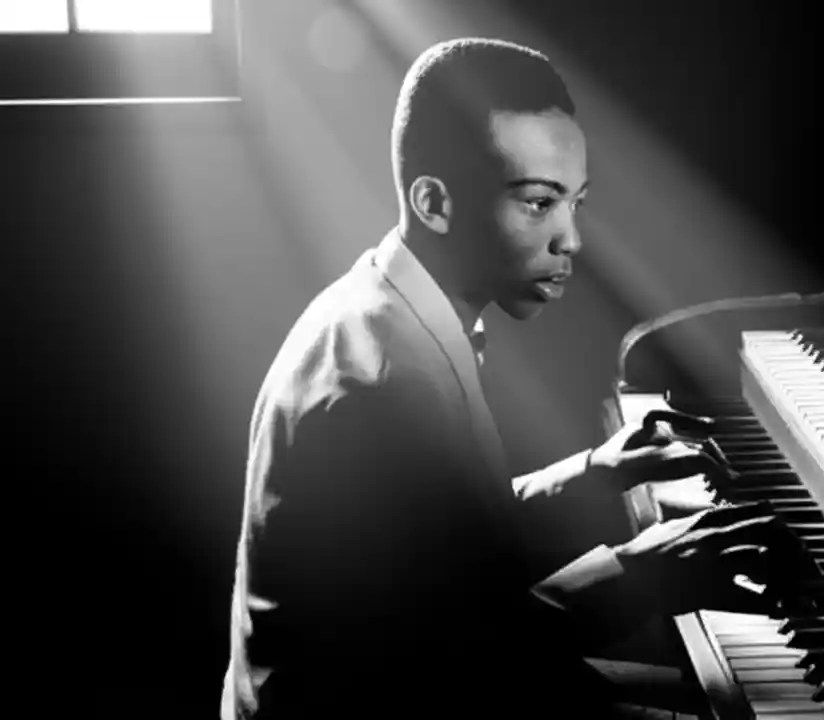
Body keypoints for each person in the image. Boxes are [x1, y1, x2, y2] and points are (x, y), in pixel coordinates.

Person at [221, 37, 792, 719]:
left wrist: (596, 469)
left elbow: (447, 541)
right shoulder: (381, 384)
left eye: (575, 203)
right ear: (434, 203)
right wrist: (647, 569)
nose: (570, 240)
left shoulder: (393, 305)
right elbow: (471, 652)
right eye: (538, 203)